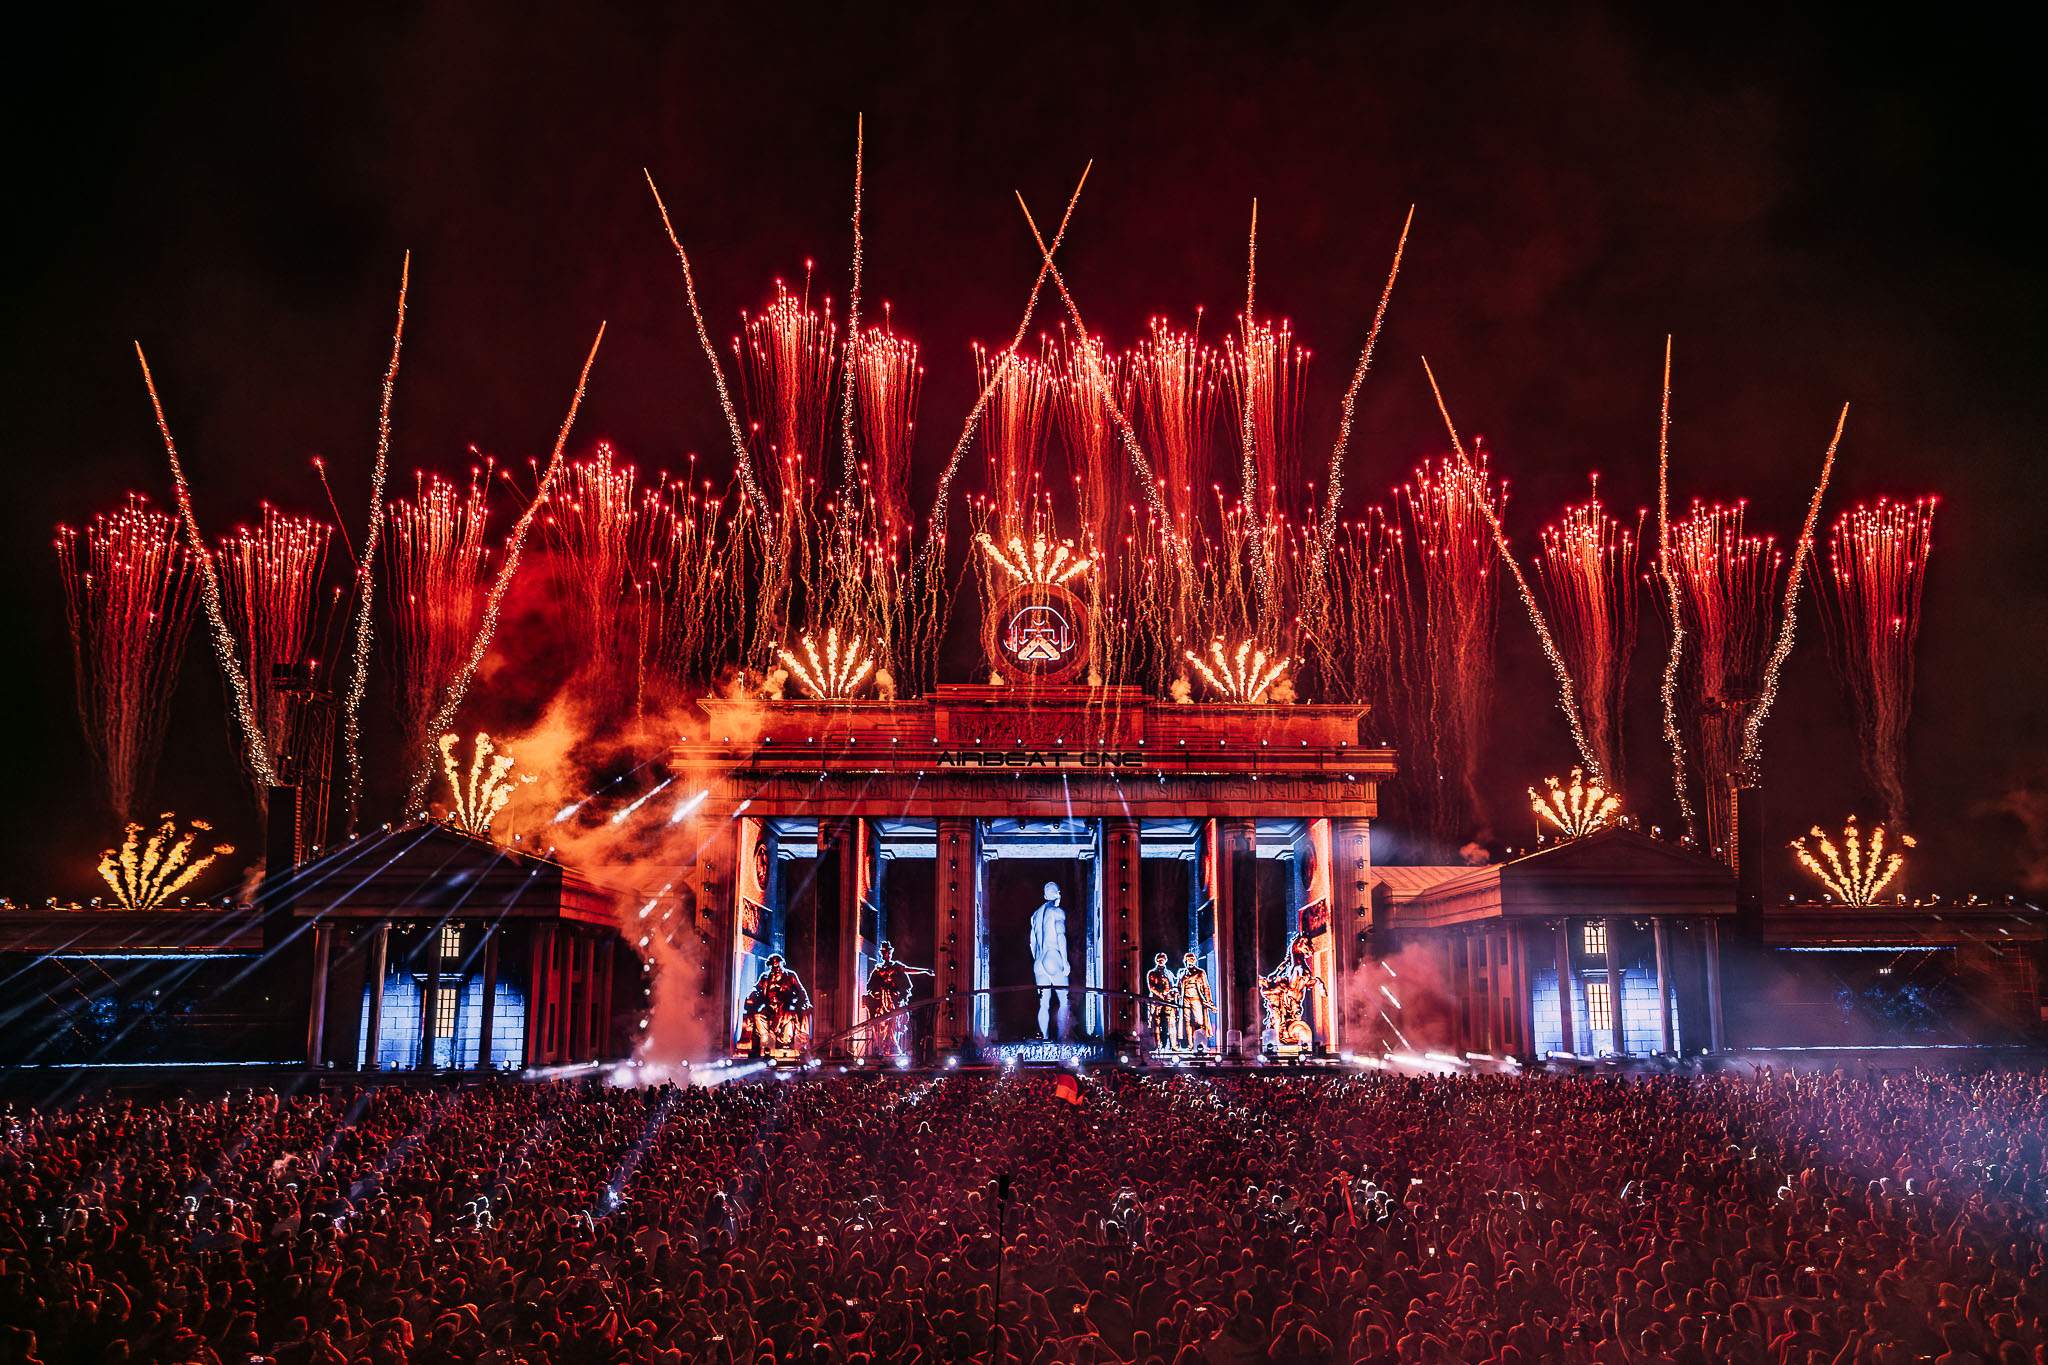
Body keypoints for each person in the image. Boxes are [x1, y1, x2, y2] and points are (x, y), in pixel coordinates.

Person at [862, 941, 929, 1059]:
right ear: (882, 954)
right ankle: (885, 1046)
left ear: (890, 953)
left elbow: (909, 970)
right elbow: (870, 985)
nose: (886, 955)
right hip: (883, 1000)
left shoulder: (896, 966)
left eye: (888, 953)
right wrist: (875, 992)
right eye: (884, 953)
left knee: (894, 1022)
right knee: (883, 1023)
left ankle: (892, 1045)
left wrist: (924, 970)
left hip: (894, 999)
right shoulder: (878, 969)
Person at [741, 953, 811, 1058]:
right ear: (770, 966)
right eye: (773, 966)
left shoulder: (790, 975)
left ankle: (783, 1041)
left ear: (782, 964)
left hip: (785, 1007)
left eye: (778, 966)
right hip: (769, 1007)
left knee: (787, 1020)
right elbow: (756, 988)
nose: (776, 968)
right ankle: (767, 1043)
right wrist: (752, 995)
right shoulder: (765, 976)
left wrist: (806, 1002)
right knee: (758, 1016)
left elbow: (801, 990)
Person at [1029, 881, 1071, 1040]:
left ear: (1045, 896)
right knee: (1064, 1000)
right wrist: (1065, 961)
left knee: (1044, 1003)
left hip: (1038, 962)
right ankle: (1063, 1039)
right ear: (1058, 894)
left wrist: (1038, 962)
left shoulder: (1035, 916)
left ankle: (1045, 1038)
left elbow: (1032, 943)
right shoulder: (1057, 911)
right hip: (1052, 955)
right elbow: (1060, 935)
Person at [1176, 950, 1214, 1052]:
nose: (1190, 960)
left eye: (1192, 959)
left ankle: (1201, 1044)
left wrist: (1209, 1000)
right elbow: (1178, 986)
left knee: (1200, 1022)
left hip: (1197, 999)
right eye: (1188, 959)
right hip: (1185, 999)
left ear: (1195, 960)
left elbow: (1206, 987)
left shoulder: (1200, 972)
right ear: (1185, 961)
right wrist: (1177, 994)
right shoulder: (1182, 973)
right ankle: (1190, 1044)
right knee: (1187, 1022)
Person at [1144, 953, 1178, 1052]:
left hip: (1168, 1001)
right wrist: (1161, 994)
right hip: (1156, 1001)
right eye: (1159, 959)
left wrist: (1173, 992)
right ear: (1156, 960)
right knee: (1156, 1023)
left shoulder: (1169, 973)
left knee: (1171, 1023)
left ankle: (1174, 1045)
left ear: (1165, 960)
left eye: (1162, 959)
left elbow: (1172, 985)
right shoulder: (1152, 973)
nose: (1161, 961)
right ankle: (1158, 1045)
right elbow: (1152, 987)